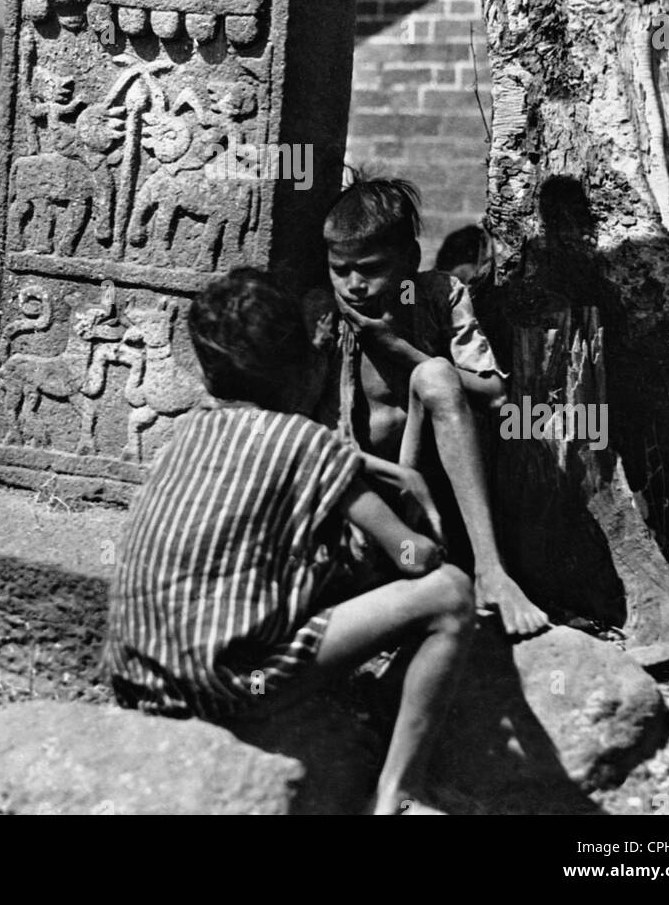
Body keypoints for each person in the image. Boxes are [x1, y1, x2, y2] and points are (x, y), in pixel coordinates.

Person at [102, 268, 476, 815]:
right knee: (451, 594)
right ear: (305, 361)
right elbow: (407, 556)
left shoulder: (187, 434)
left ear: (209, 375)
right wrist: (430, 534)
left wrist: (381, 471)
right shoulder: (306, 443)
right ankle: (398, 794)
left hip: (136, 680)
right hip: (228, 686)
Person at [312, 175, 548, 638]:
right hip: (359, 497)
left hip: (432, 494)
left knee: (435, 373)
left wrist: (397, 347)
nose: (355, 285)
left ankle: (490, 570)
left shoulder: (438, 295)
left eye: (372, 268)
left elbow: (493, 394)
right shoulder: (323, 311)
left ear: (411, 260)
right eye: (342, 269)